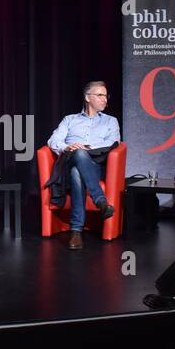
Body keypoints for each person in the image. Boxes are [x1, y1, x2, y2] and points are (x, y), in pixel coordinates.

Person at [45, 81, 120, 250]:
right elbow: (53, 140)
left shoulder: (110, 121)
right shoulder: (70, 120)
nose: (105, 100)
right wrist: (67, 147)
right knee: (76, 156)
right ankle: (101, 202)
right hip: (69, 158)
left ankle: (76, 231)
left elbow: (113, 143)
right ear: (88, 97)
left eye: (106, 96)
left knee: (76, 171)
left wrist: (86, 150)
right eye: (100, 95)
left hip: (95, 164)